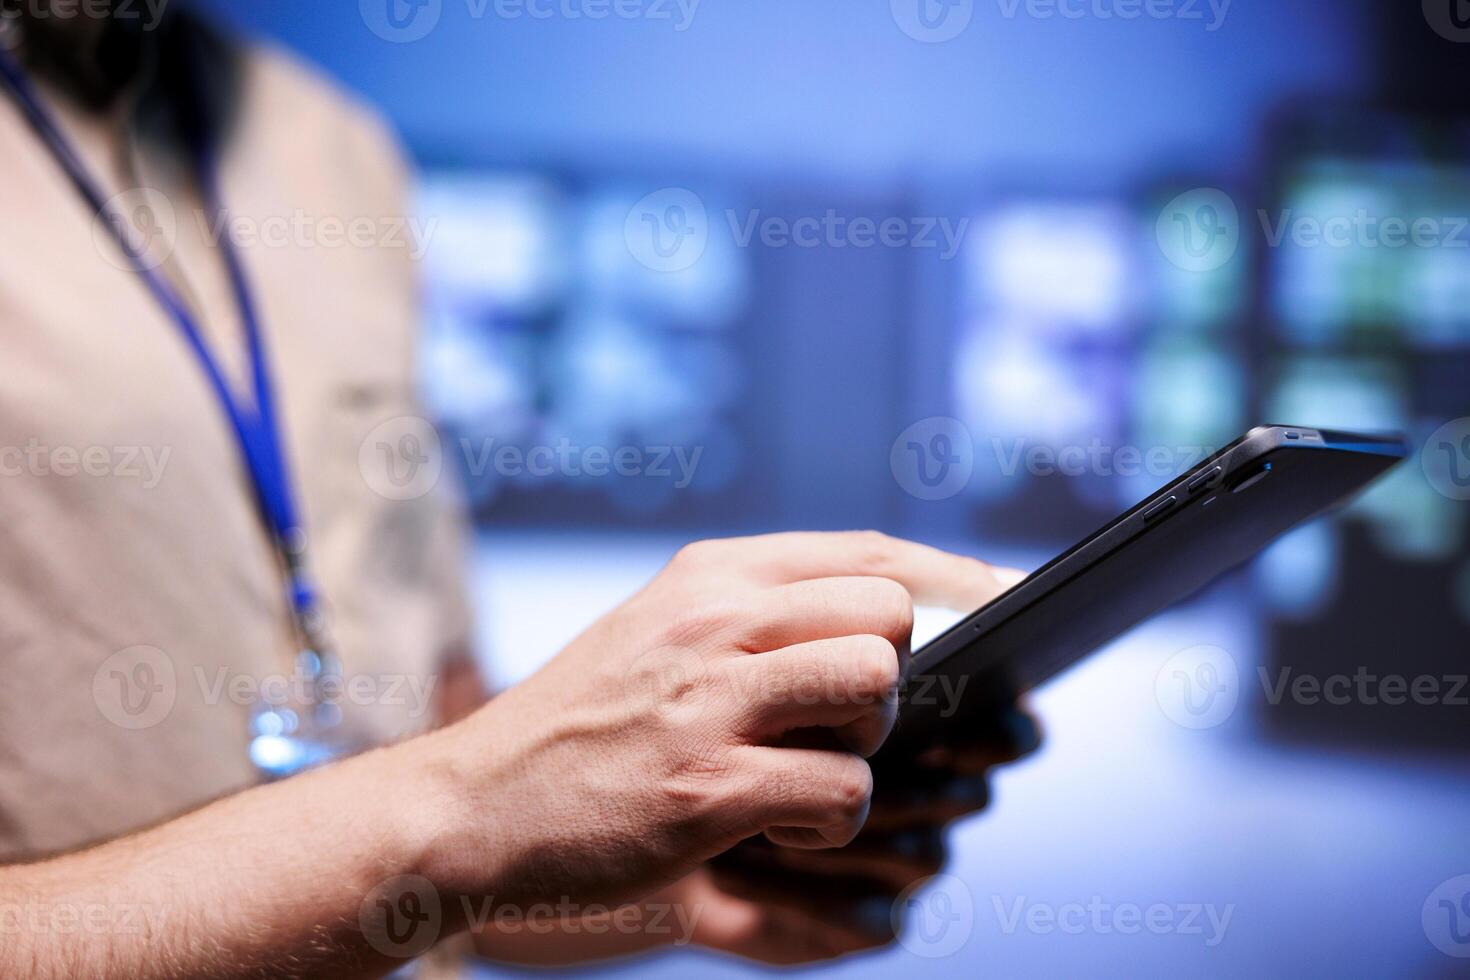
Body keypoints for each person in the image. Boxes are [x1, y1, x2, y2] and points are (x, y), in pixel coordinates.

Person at [0, 4, 1039, 976]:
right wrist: (470, 804)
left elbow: (447, 802)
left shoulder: (332, 146)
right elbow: (455, 811)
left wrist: (691, 873)